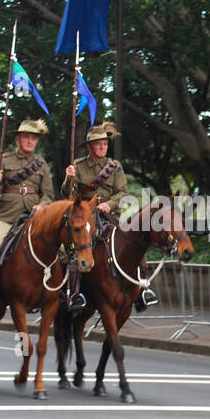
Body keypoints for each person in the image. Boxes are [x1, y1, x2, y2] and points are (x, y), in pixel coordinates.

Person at [62, 122, 144, 311]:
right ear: (89, 146)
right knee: (74, 248)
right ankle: (75, 291)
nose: (102, 147)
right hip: (86, 214)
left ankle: (140, 290)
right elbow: (68, 194)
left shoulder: (114, 166)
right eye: (98, 144)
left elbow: (123, 192)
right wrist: (69, 178)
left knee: (137, 243)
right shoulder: (78, 166)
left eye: (105, 144)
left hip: (111, 214)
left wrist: (110, 204)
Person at [0, 119, 54, 308]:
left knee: (60, 249)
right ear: (17, 139)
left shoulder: (42, 165)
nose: (30, 141)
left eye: (33, 138)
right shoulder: (3, 160)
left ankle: (57, 292)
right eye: (26, 137)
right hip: (7, 215)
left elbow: (48, 195)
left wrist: (42, 206)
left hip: (34, 217)